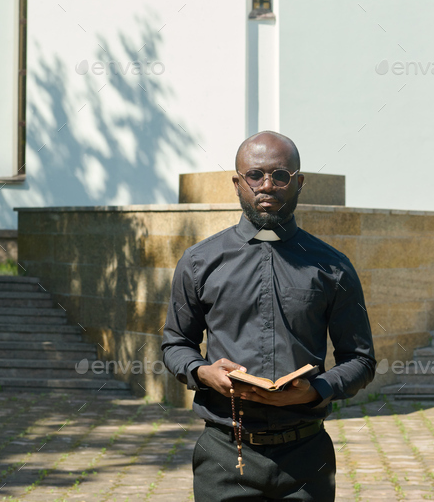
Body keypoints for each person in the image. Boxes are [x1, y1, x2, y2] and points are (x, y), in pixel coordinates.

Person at [161, 131, 376, 502]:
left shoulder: (332, 266)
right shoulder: (199, 262)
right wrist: (203, 372)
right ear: (237, 182)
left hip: (307, 459)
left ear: (299, 182)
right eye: (255, 175)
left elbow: (360, 360)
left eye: (280, 175)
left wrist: (318, 389)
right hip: (225, 455)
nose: (267, 185)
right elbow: (176, 344)